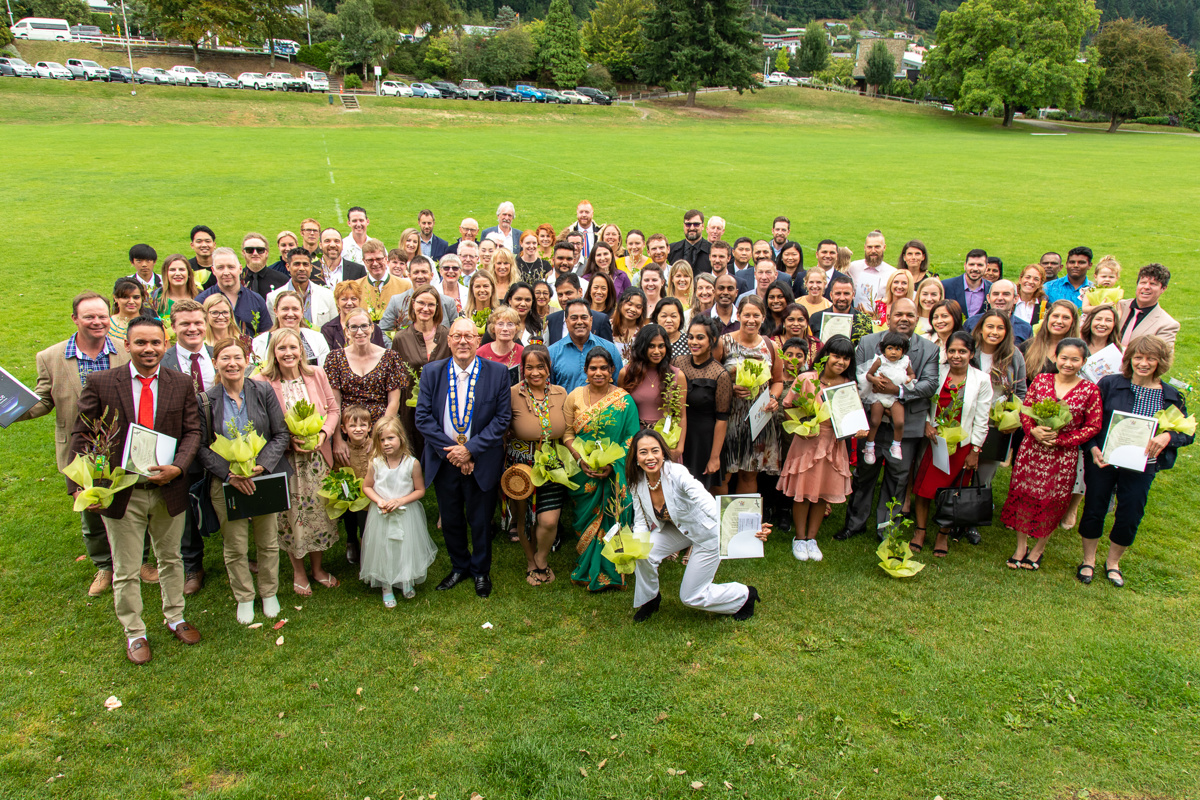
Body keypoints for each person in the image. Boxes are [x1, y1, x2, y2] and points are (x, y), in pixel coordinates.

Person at [66, 315, 202, 665]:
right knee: (126, 567)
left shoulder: (180, 383)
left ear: (165, 345)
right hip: (123, 491)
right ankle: (135, 632)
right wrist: (93, 484)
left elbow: (192, 433)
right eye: (140, 342)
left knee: (171, 558)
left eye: (155, 342)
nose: (149, 349)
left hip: (168, 487)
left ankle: (175, 616)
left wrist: (179, 466)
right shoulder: (102, 382)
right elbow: (85, 435)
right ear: (126, 345)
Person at [17, 292, 133, 597]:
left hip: (120, 442)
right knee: (90, 507)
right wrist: (12, 412)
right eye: (89, 317)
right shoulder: (51, 357)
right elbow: (43, 400)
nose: (97, 322)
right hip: (79, 445)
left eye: (102, 316)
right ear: (75, 319)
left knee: (128, 504)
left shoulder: (124, 351)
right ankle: (104, 566)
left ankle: (140, 561)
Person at [1079, 335, 1193, 587]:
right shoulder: (1109, 384)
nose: (1143, 363)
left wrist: (1167, 436)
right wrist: (1092, 447)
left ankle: (1113, 563)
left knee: (1130, 513)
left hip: (1143, 465)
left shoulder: (1170, 395)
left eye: (1150, 358)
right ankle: (1088, 560)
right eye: (1138, 357)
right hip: (1104, 460)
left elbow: (1187, 432)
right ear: (1129, 359)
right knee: (1094, 509)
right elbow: (1089, 420)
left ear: (1160, 361)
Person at [414, 318, 513, 598]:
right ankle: (459, 566)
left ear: (478, 340)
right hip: (444, 460)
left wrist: (471, 450)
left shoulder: (497, 373)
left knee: (481, 518)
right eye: (457, 336)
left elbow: (502, 419)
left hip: (481, 460)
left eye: (469, 336)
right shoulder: (432, 372)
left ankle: (481, 571)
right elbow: (423, 417)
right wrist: (455, 453)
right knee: (452, 518)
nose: (463, 341)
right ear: (448, 340)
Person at [628, 430, 767, 621]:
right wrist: (636, 549)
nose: (650, 457)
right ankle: (650, 599)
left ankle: (744, 595)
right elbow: (641, 520)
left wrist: (741, 526)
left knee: (691, 597)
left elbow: (704, 500)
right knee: (642, 553)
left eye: (655, 451)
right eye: (643, 452)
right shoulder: (637, 481)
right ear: (635, 457)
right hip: (679, 530)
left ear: (663, 453)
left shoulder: (677, 473)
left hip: (706, 534)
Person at [198, 337, 291, 622]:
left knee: (267, 541)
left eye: (237, 357)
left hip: (262, 479)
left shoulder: (262, 390)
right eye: (224, 358)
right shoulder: (205, 400)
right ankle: (244, 597)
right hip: (226, 482)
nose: (232, 363)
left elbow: (281, 434)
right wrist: (229, 473)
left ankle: (269, 591)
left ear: (246, 361)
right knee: (235, 545)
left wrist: (262, 465)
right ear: (215, 363)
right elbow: (200, 446)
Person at [252, 328, 342, 597]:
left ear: (301, 350)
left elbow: (333, 409)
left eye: (293, 347)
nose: (288, 353)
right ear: (273, 353)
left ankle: (317, 569)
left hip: (317, 459)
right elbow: (259, 424)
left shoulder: (316, 374)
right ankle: (299, 572)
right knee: (290, 517)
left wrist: (324, 434)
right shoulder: (261, 381)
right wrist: (287, 441)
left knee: (319, 514)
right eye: (282, 349)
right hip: (286, 462)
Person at [841, 299, 940, 539]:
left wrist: (898, 393)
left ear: (917, 319)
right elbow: (856, 377)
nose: (904, 319)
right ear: (888, 316)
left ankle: (887, 530)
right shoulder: (868, 342)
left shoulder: (928, 349)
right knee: (864, 474)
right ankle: (854, 524)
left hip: (905, 424)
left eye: (910, 315)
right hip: (870, 419)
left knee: (897, 477)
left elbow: (930, 383)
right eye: (898, 314)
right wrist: (876, 398)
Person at [1002, 338, 1102, 570]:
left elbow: (1093, 426)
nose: (1068, 363)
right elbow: (1026, 409)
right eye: (1064, 358)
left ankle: (1039, 549)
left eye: (1075, 359)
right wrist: (1033, 430)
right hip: (1032, 450)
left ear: (1083, 362)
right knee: (1024, 495)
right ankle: (1021, 546)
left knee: (1052, 501)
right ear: (1055, 357)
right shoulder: (1041, 379)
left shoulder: (1090, 390)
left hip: (1063, 455)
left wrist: (1063, 440)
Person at [561, 346, 641, 591]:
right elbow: (568, 433)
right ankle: (586, 565)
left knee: (614, 515)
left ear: (612, 370)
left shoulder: (624, 400)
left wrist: (612, 464)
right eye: (593, 368)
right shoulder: (574, 396)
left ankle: (613, 570)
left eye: (603, 368)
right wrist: (581, 458)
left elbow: (631, 438)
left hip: (614, 472)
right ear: (585, 370)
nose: (598, 372)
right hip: (582, 471)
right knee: (583, 520)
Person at [778, 335, 863, 561]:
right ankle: (799, 538)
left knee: (822, 493)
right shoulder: (808, 379)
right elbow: (788, 405)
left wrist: (858, 428)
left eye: (846, 358)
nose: (841, 362)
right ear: (825, 356)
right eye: (836, 355)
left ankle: (812, 539)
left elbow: (853, 416)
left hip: (834, 444)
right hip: (807, 443)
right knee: (803, 492)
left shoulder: (848, 385)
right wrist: (802, 427)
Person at [909, 332, 992, 558]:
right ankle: (920, 530)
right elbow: (926, 402)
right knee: (924, 489)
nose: (956, 356)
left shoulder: (981, 380)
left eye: (962, 351)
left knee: (953, 492)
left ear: (971, 354)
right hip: (935, 442)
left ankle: (943, 534)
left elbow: (982, 418)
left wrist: (975, 450)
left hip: (962, 445)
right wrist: (927, 424)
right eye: (952, 351)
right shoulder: (938, 371)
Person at [506, 345, 569, 586]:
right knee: (525, 519)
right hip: (521, 465)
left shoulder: (561, 393)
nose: (535, 372)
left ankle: (541, 559)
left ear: (548, 368)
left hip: (553, 464)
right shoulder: (512, 393)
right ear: (522, 369)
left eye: (540, 367)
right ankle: (531, 563)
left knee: (549, 520)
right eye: (529, 367)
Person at [360, 416, 436, 605]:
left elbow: (420, 490)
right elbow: (367, 486)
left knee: (405, 548)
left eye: (390, 438)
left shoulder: (412, 463)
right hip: (382, 516)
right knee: (385, 549)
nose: (386, 443)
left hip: (406, 514)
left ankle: (405, 579)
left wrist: (400, 500)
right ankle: (386, 586)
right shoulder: (375, 463)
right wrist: (379, 501)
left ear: (401, 437)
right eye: (382, 440)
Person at [971, 311, 1028, 541]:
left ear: (1007, 332)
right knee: (964, 469)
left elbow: (1021, 392)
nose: (994, 332)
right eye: (990, 326)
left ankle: (971, 520)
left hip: (996, 425)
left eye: (1000, 328)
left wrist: (1012, 417)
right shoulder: (969, 350)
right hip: (967, 419)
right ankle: (954, 514)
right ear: (981, 328)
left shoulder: (1014, 356)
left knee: (984, 473)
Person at [721, 296, 785, 494]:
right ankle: (719, 520)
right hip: (729, 416)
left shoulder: (771, 347)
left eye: (756, 315)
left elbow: (778, 381)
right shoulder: (724, 343)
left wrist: (773, 398)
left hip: (758, 417)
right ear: (738, 315)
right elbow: (712, 377)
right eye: (746, 315)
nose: (751, 320)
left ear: (763, 317)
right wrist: (729, 389)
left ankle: (744, 522)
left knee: (750, 472)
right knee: (724, 472)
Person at [326, 308, 405, 458]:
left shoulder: (390, 357)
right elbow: (334, 402)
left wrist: (378, 437)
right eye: (354, 327)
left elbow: (394, 402)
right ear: (347, 331)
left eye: (364, 326)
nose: (359, 331)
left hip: (382, 431)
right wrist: (337, 439)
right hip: (347, 434)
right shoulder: (335, 358)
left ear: (372, 328)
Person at [619, 323, 689, 453]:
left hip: (666, 442)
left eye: (661, 346)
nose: (657, 351)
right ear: (642, 347)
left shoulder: (677, 376)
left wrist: (679, 449)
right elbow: (621, 413)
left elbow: (681, 416)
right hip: (635, 441)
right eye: (651, 346)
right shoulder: (627, 373)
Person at [862, 331, 916, 464]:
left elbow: (912, 374)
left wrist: (909, 379)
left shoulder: (905, 361)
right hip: (878, 396)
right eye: (890, 348)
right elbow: (868, 375)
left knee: (899, 422)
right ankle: (869, 447)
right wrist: (874, 380)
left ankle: (896, 445)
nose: (893, 352)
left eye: (898, 349)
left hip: (894, 397)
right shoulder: (880, 360)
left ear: (903, 351)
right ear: (884, 349)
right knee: (875, 421)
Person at [549, 300, 624, 392]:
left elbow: (619, 387)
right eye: (574, 318)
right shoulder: (552, 353)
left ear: (591, 320)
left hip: (603, 406)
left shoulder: (610, 349)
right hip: (566, 406)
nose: (579, 322)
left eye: (584, 317)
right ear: (566, 321)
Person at [196, 248, 272, 335]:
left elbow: (265, 336)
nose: (226, 272)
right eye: (220, 268)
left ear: (240, 269)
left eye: (231, 267)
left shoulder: (256, 300)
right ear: (213, 271)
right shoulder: (202, 300)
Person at [264, 248, 337, 330]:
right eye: (297, 264)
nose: (301, 268)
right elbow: (273, 330)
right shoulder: (273, 298)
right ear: (288, 267)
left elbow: (334, 328)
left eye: (305, 264)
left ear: (311, 268)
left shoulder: (327, 295)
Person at [253, 291, 331, 368]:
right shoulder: (260, 342)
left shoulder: (317, 339)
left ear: (302, 311)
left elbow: (325, 371)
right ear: (275, 311)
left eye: (295, 309)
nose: (290, 314)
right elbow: (255, 373)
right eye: (285, 309)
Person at [379, 257, 459, 331]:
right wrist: (395, 346)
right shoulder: (397, 301)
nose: (420, 276)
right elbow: (384, 330)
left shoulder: (448, 303)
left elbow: (455, 332)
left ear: (431, 275)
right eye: (416, 272)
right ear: (409, 276)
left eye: (424, 272)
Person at [338, 405, 374, 566]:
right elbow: (337, 471)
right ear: (344, 429)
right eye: (352, 425)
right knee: (351, 517)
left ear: (369, 427)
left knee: (367, 525)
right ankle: (352, 542)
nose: (358, 429)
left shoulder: (376, 447)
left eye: (362, 425)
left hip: (372, 494)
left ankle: (367, 552)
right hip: (351, 495)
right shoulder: (342, 450)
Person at [1116, 263, 1178, 353]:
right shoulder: (1118, 305)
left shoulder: (1167, 324)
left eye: (1153, 284)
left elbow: (1162, 357)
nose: (1146, 287)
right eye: (1143, 282)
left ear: (1163, 289)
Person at [545, 274, 614, 343]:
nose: (564, 298)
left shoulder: (600, 320)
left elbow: (609, 350)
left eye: (568, 293)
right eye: (560, 295)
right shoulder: (551, 320)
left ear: (580, 292)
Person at [1019, 300, 1081, 376]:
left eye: (1065, 318)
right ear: (1047, 318)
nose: (1059, 321)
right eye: (1055, 316)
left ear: (1073, 323)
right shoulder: (1027, 347)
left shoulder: (1081, 351)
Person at [322, 281, 388, 350]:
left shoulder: (372, 328)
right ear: (337, 302)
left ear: (359, 301)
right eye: (344, 299)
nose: (349, 303)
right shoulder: (328, 330)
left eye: (354, 299)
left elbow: (381, 354)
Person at [809, 274, 872, 346]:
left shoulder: (864, 321)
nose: (842, 298)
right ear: (831, 295)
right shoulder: (816, 318)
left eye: (846, 294)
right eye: (838, 293)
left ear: (853, 295)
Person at [965, 279, 1033, 343]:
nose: (1000, 298)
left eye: (1006, 294)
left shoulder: (1025, 329)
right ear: (988, 298)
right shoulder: (972, 323)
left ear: (1015, 299)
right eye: (996, 294)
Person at [357, 238, 409, 316]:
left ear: (386, 258)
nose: (375, 263)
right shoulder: (356, 287)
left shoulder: (405, 286)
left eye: (378, 259)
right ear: (364, 261)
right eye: (370, 260)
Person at [848, 230, 896, 310]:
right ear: (864, 248)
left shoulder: (892, 273)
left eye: (877, 247)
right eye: (870, 247)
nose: (873, 251)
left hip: (881, 319)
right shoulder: (852, 268)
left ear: (884, 247)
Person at [477, 305, 524, 385]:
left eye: (510, 324)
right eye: (500, 324)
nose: (505, 329)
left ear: (516, 329)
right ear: (493, 328)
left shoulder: (523, 353)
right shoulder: (480, 353)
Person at [941, 249, 992, 321]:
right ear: (965, 265)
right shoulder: (946, 286)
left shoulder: (992, 289)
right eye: (971, 264)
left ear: (987, 267)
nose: (975, 269)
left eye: (980, 265)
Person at [239, 232, 288, 299]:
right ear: (244, 253)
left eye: (260, 250)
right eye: (250, 250)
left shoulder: (282, 280)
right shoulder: (236, 279)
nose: (255, 253)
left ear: (266, 253)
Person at [668, 209, 712, 275]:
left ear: (702, 226)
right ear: (684, 226)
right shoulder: (672, 249)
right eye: (688, 224)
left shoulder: (712, 250)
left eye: (696, 224)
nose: (692, 228)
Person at [612, 287, 646, 362]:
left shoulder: (644, 331)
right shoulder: (608, 326)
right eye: (629, 304)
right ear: (621, 304)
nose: (633, 309)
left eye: (638, 307)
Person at [108, 278, 147, 342]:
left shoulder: (153, 325)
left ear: (142, 298)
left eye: (136, 297)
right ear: (115, 298)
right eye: (125, 297)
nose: (131, 301)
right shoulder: (106, 325)